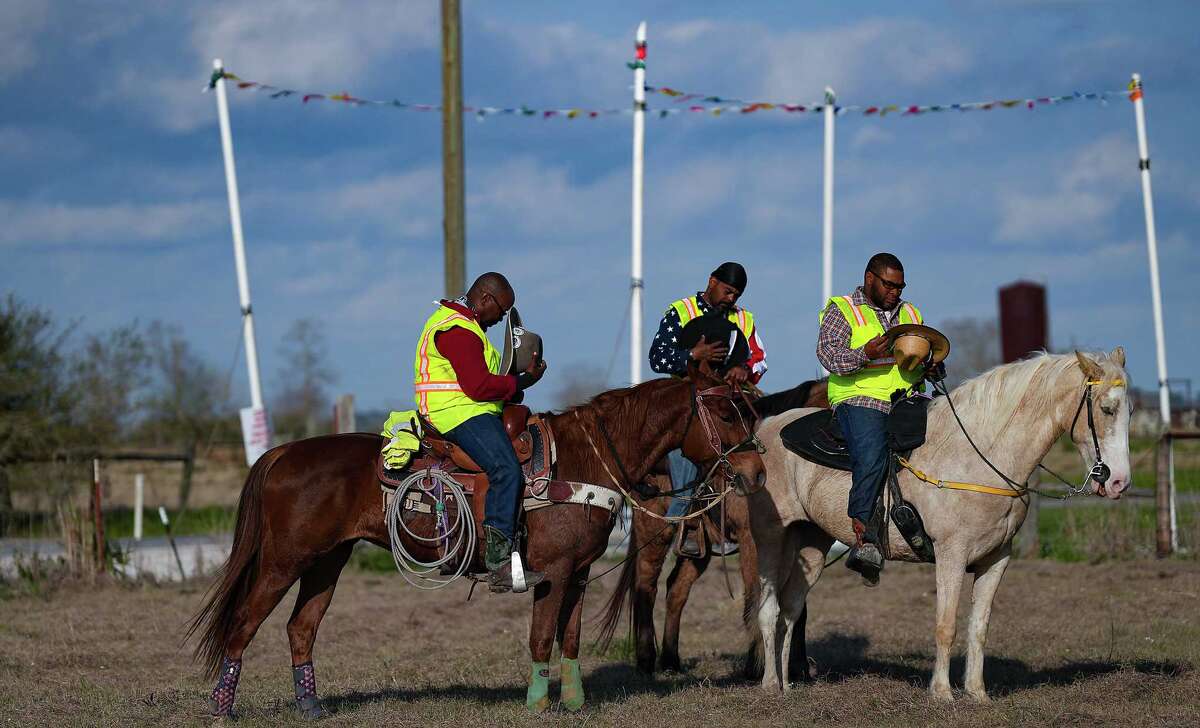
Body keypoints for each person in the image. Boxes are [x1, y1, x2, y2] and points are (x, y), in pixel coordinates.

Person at [413, 272, 548, 592]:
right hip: (456, 414)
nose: (501, 318)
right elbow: (478, 386)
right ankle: (499, 564)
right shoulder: (458, 330)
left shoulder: (463, 324)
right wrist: (521, 382)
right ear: (485, 299)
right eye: (501, 311)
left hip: (469, 410)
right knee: (505, 469)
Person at [816, 252, 930, 584]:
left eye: (900, 286)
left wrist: (931, 364)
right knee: (871, 456)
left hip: (908, 399)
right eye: (890, 285)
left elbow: (921, 354)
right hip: (859, 398)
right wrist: (866, 354)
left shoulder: (910, 312)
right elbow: (828, 356)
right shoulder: (842, 309)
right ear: (870, 279)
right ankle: (865, 538)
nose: (896, 292)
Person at [649, 261, 767, 556]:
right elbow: (657, 357)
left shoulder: (744, 319)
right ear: (712, 281)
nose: (731, 299)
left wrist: (743, 368)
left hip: (728, 399)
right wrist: (693, 354)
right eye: (727, 291)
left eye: (736, 295)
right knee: (684, 444)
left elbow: (760, 358)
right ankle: (683, 518)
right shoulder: (680, 310)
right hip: (686, 399)